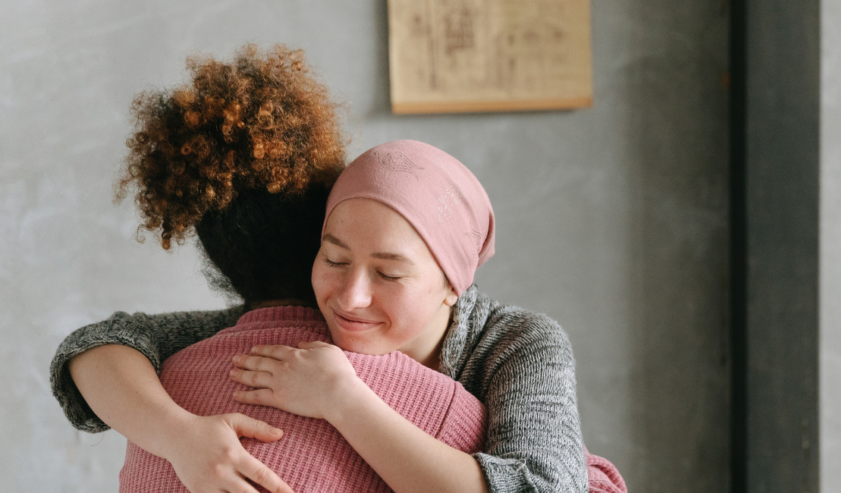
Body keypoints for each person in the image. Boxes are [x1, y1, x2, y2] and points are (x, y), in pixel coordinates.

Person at [50, 45, 625, 493]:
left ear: (454, 281)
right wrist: (181, 439)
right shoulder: (308, 317)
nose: (349, 297)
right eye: (334, 258)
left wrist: (344, 401)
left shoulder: (517, 345)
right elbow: (97, 346)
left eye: (389, 273)